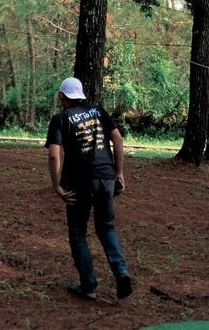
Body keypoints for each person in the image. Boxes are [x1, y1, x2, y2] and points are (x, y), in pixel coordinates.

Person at [45, 76, 132, 301]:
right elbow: (118, 139)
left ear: (63, 97)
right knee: (107, 228)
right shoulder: (98, 111)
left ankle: (89, 286)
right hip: (106, 178)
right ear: (81, 95)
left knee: (78, 232)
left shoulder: (61, 118)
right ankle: (121, 271)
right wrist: (119, 172)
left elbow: (54, 154)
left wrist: (56, 186)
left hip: (80, 183)